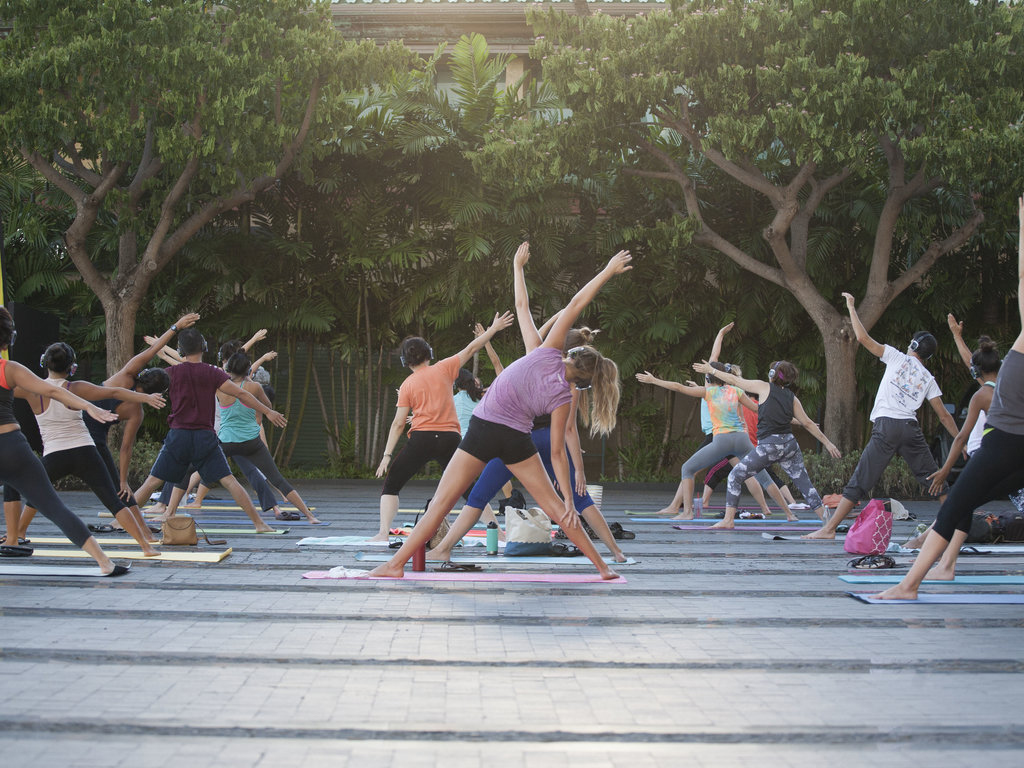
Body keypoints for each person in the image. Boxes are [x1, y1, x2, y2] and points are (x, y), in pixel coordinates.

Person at [369, 248, 632, 579]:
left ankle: (395, 566)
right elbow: (557, 453)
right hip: (515, 440)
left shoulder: (546, 350)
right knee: (555, 509)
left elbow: (563, 304)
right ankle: (603, 566)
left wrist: (522, 268)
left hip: (484, 429)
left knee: (441, 503)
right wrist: (566, 497)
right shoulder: (565, 396)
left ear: (572, 354)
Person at [876, 195, 1024, 599]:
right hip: (1012, 448)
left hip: (1002, 444)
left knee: (956, 502)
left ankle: (911, 584)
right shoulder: (996, 372)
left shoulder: (1011, 360)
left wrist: (1023, 225)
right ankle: (938, 569)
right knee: (964, 503)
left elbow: (1023, 279)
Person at [803, 293, 959, 539]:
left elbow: (863, 338)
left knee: (861, 478)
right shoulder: (928, 379)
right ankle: (955, 520)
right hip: (909, 428)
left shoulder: (897, 357)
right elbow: (944, 417)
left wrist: (852, 307)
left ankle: (829, 529)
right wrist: (960, 439)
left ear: (913, 346)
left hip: (886, 427)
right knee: (933, 479)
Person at [0, 308, 128, 575]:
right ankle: (105, 563)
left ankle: (14, 537)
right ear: (8, 340)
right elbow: (51, 390)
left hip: (14, 448)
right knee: (53, 507)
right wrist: (89, 407)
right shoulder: (9, 369)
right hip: (11, 447)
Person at [368, 311, 515, 542]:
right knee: (469, 488)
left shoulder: (407, 384)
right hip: (450, 439)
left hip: (422, 439)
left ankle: (382, 533)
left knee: (392, 484)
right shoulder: (444, 367)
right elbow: (471, 348)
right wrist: (493, 329)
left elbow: (398, 424)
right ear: (429, 355)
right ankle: (499, 532)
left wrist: (387, 455)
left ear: (406, 361)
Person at [10, 342, 167, 556]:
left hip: (55, 455)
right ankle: (145, 546)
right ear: (72, 368)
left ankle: (18, 533)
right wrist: (145, 398)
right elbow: (112, 391)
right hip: (85, 451)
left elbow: (6, 385)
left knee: (36, 494)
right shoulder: (75, 388)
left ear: (44, 363)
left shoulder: (30, 391)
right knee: (113, 501)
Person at [131, 327, 288, 533]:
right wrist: (268, 411)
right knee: (230, 482)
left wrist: (140, 396)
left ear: (180, 351)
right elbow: (243, 395)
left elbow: (142, 382)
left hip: (179, 436)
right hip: (205, 437)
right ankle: (259, 523)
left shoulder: (172, 373)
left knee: (152, 481)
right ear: (204, 348)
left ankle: (122, 520)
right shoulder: (213, 373)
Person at [83, 312, 200, 535]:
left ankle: (135, 525)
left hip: (79, 426)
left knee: (111, 489)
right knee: (116, 489)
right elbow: (126, 448)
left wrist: (176, 326)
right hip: (92, 438)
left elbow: (152, 351)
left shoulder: (126, 375)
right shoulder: (136, 411)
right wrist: (124, 480)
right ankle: (134, 525)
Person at [690, 359, 841, 529]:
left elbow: (735, 381)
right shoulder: (792, 398)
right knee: (805, 485)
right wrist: (828, 443)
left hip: (769, 446)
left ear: (772, 375)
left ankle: (728, 520)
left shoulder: (763, 387)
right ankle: (828, 523)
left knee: (735, 476)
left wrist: (712, 370)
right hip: (790, 445)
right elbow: (807, 423)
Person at [636, 363, 789, 522]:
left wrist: (654, 380)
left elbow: (678, 387)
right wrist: (789, 416)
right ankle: (789, 514)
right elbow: (758, 409)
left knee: (687, 469)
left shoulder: (708, 392)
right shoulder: (736, 390)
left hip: (722, 441)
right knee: (764, 477)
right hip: (742, 440)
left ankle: (687, 512)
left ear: (708, 378)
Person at [209, 350, 319, 523]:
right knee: (278, 480)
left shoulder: (220, 388)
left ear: (229, 369)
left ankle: (167, 508)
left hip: (227, 442)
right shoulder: (255, 387)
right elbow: (267, 405)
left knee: (195, 468)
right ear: (247, 370)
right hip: (251, 442)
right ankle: (310, 516)